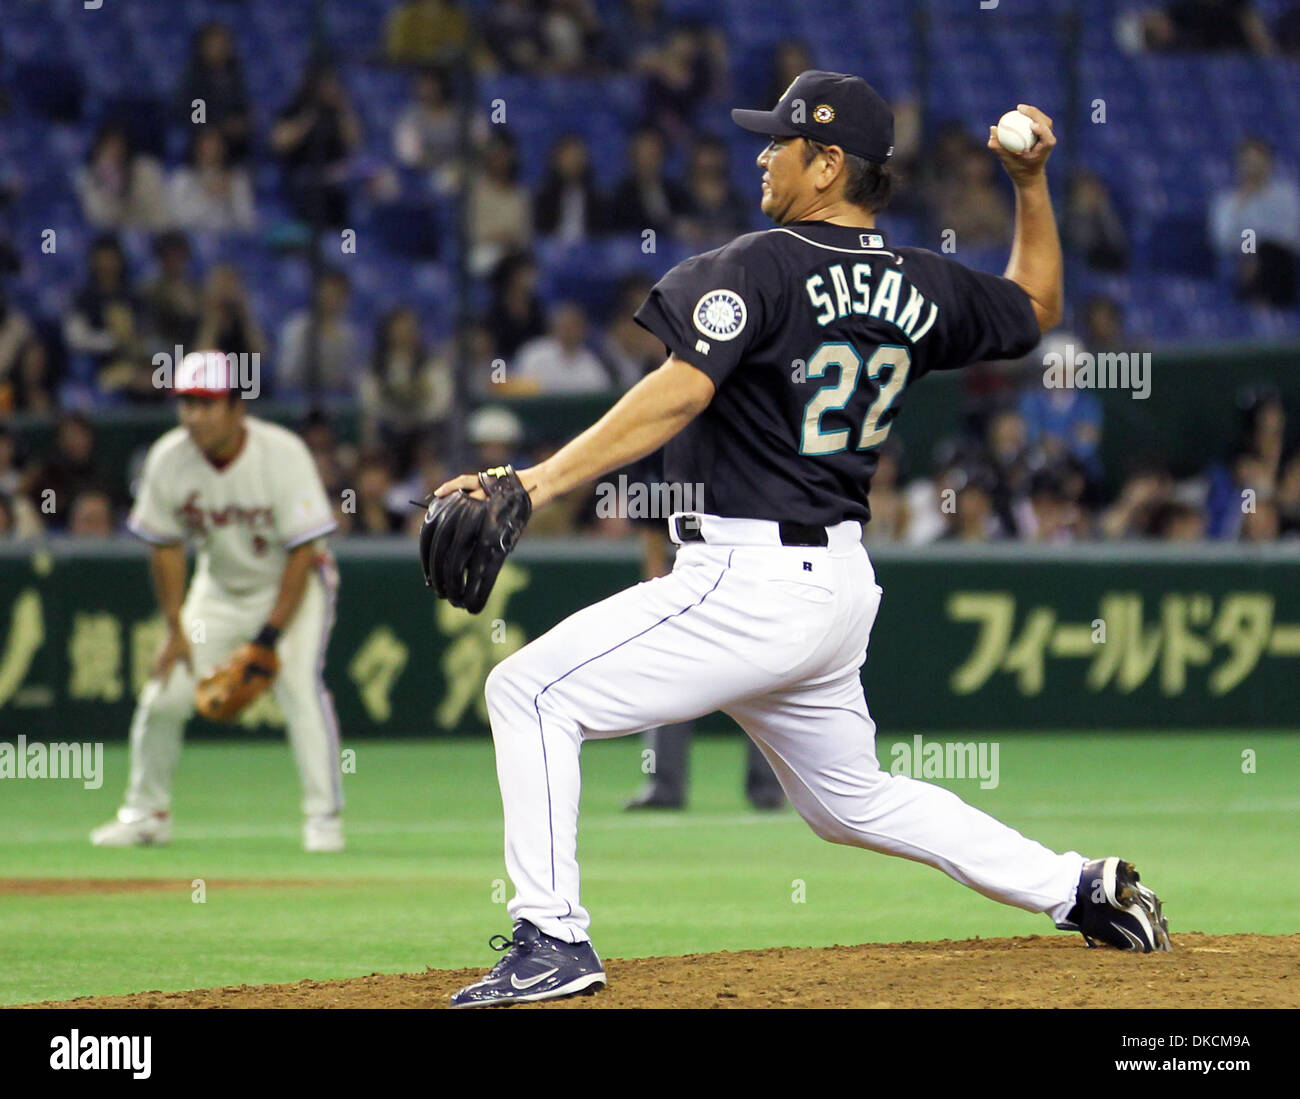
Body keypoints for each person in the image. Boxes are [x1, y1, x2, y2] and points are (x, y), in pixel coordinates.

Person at [435, 72, 1170, 1007]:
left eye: (780, 141)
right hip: (834, 584)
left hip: (746, 576)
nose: (761, 153)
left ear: (828, 164)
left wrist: (530, 481)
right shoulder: (922, 283)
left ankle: (552, 939)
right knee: (849, 800)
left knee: (528, 690)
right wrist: (1029, 183)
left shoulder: (755, 265)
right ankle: (1080, 885)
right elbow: (1037, 303)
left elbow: (680, 389)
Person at [91, 351, 344, 853]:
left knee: (297, 685)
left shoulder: (282, 453)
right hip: (220, 589)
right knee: (165, 692)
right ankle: (146, 813)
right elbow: (164, 547)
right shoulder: (169, 458)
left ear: (236, 408)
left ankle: (323, 819)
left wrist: (268, 638)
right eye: (187, 403)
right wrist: (175, 629)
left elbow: (303, 552)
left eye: (207, 404)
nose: (195, 416)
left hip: (293, 586)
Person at [1209, 138, 1299, 307]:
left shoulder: (1286, 196)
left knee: (1267, 250)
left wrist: (1263, 244)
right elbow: (1222, 241)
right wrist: (1242, 204)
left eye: (1258, 163)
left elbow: (1292, 234)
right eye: (1248, 163)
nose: (1253, 169)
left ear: (1269, 164)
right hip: (1244, 257)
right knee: (1249, 243)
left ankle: (1263, 304)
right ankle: (1258, 306)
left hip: (1283, 258)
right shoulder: (1228, 201)